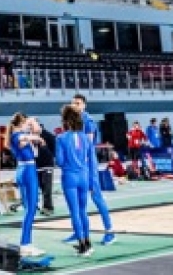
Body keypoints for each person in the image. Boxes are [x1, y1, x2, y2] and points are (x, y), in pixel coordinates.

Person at [69, 94, 115, 245]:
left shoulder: (88, 121)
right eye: (73, 103)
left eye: (78, 103)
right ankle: (78, 232)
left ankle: (110, 231)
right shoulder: (72, 122)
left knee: (96, 197)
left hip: (88, 163)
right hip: (78, 164)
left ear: (84, 105)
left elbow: (87, 145)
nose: (74, 105)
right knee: (78, 199)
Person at [56, 104, 96, 257]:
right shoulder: (85, 137)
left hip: (70, 177)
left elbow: (59, 161)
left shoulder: (61, 138)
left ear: (65, 121)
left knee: (74, 212)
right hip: (84, 176)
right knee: (83, 211)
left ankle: (82, 245)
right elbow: (88, 158)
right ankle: (88, 242)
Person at [8, 112, 46, 258]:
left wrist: (32, 125)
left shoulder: (19, 135)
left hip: (23, 169)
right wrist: (36, 137)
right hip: (28, 170)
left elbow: (35, 131)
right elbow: (25, 138)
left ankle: (27, 243)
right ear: (20, 124)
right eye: (25, 123)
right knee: (31, 208)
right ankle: (25, 243)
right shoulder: (16, 136)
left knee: (28, 209)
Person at [31, 118, 56, 217]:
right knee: (40, 187)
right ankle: (40, 205)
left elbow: (53, 153)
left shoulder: (49, 136)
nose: (31, 129)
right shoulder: (31, 137)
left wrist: (43, 146)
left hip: (47, 165)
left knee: (47, 188)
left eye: (32, 127)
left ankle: (48, 207)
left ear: (39, 125)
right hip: (37, 165)